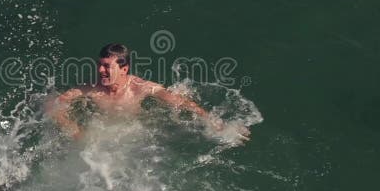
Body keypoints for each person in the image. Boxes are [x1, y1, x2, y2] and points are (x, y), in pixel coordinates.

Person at [46, 43, 249, 139]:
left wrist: (216, 123)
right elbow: (54, 104)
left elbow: (182, 102)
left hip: (131, 135)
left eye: (107, 66)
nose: (100, 70)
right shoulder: (91, 88)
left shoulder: (141, 88)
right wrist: (73, 129)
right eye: (99, 65)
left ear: (124, 69)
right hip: (97, 137)